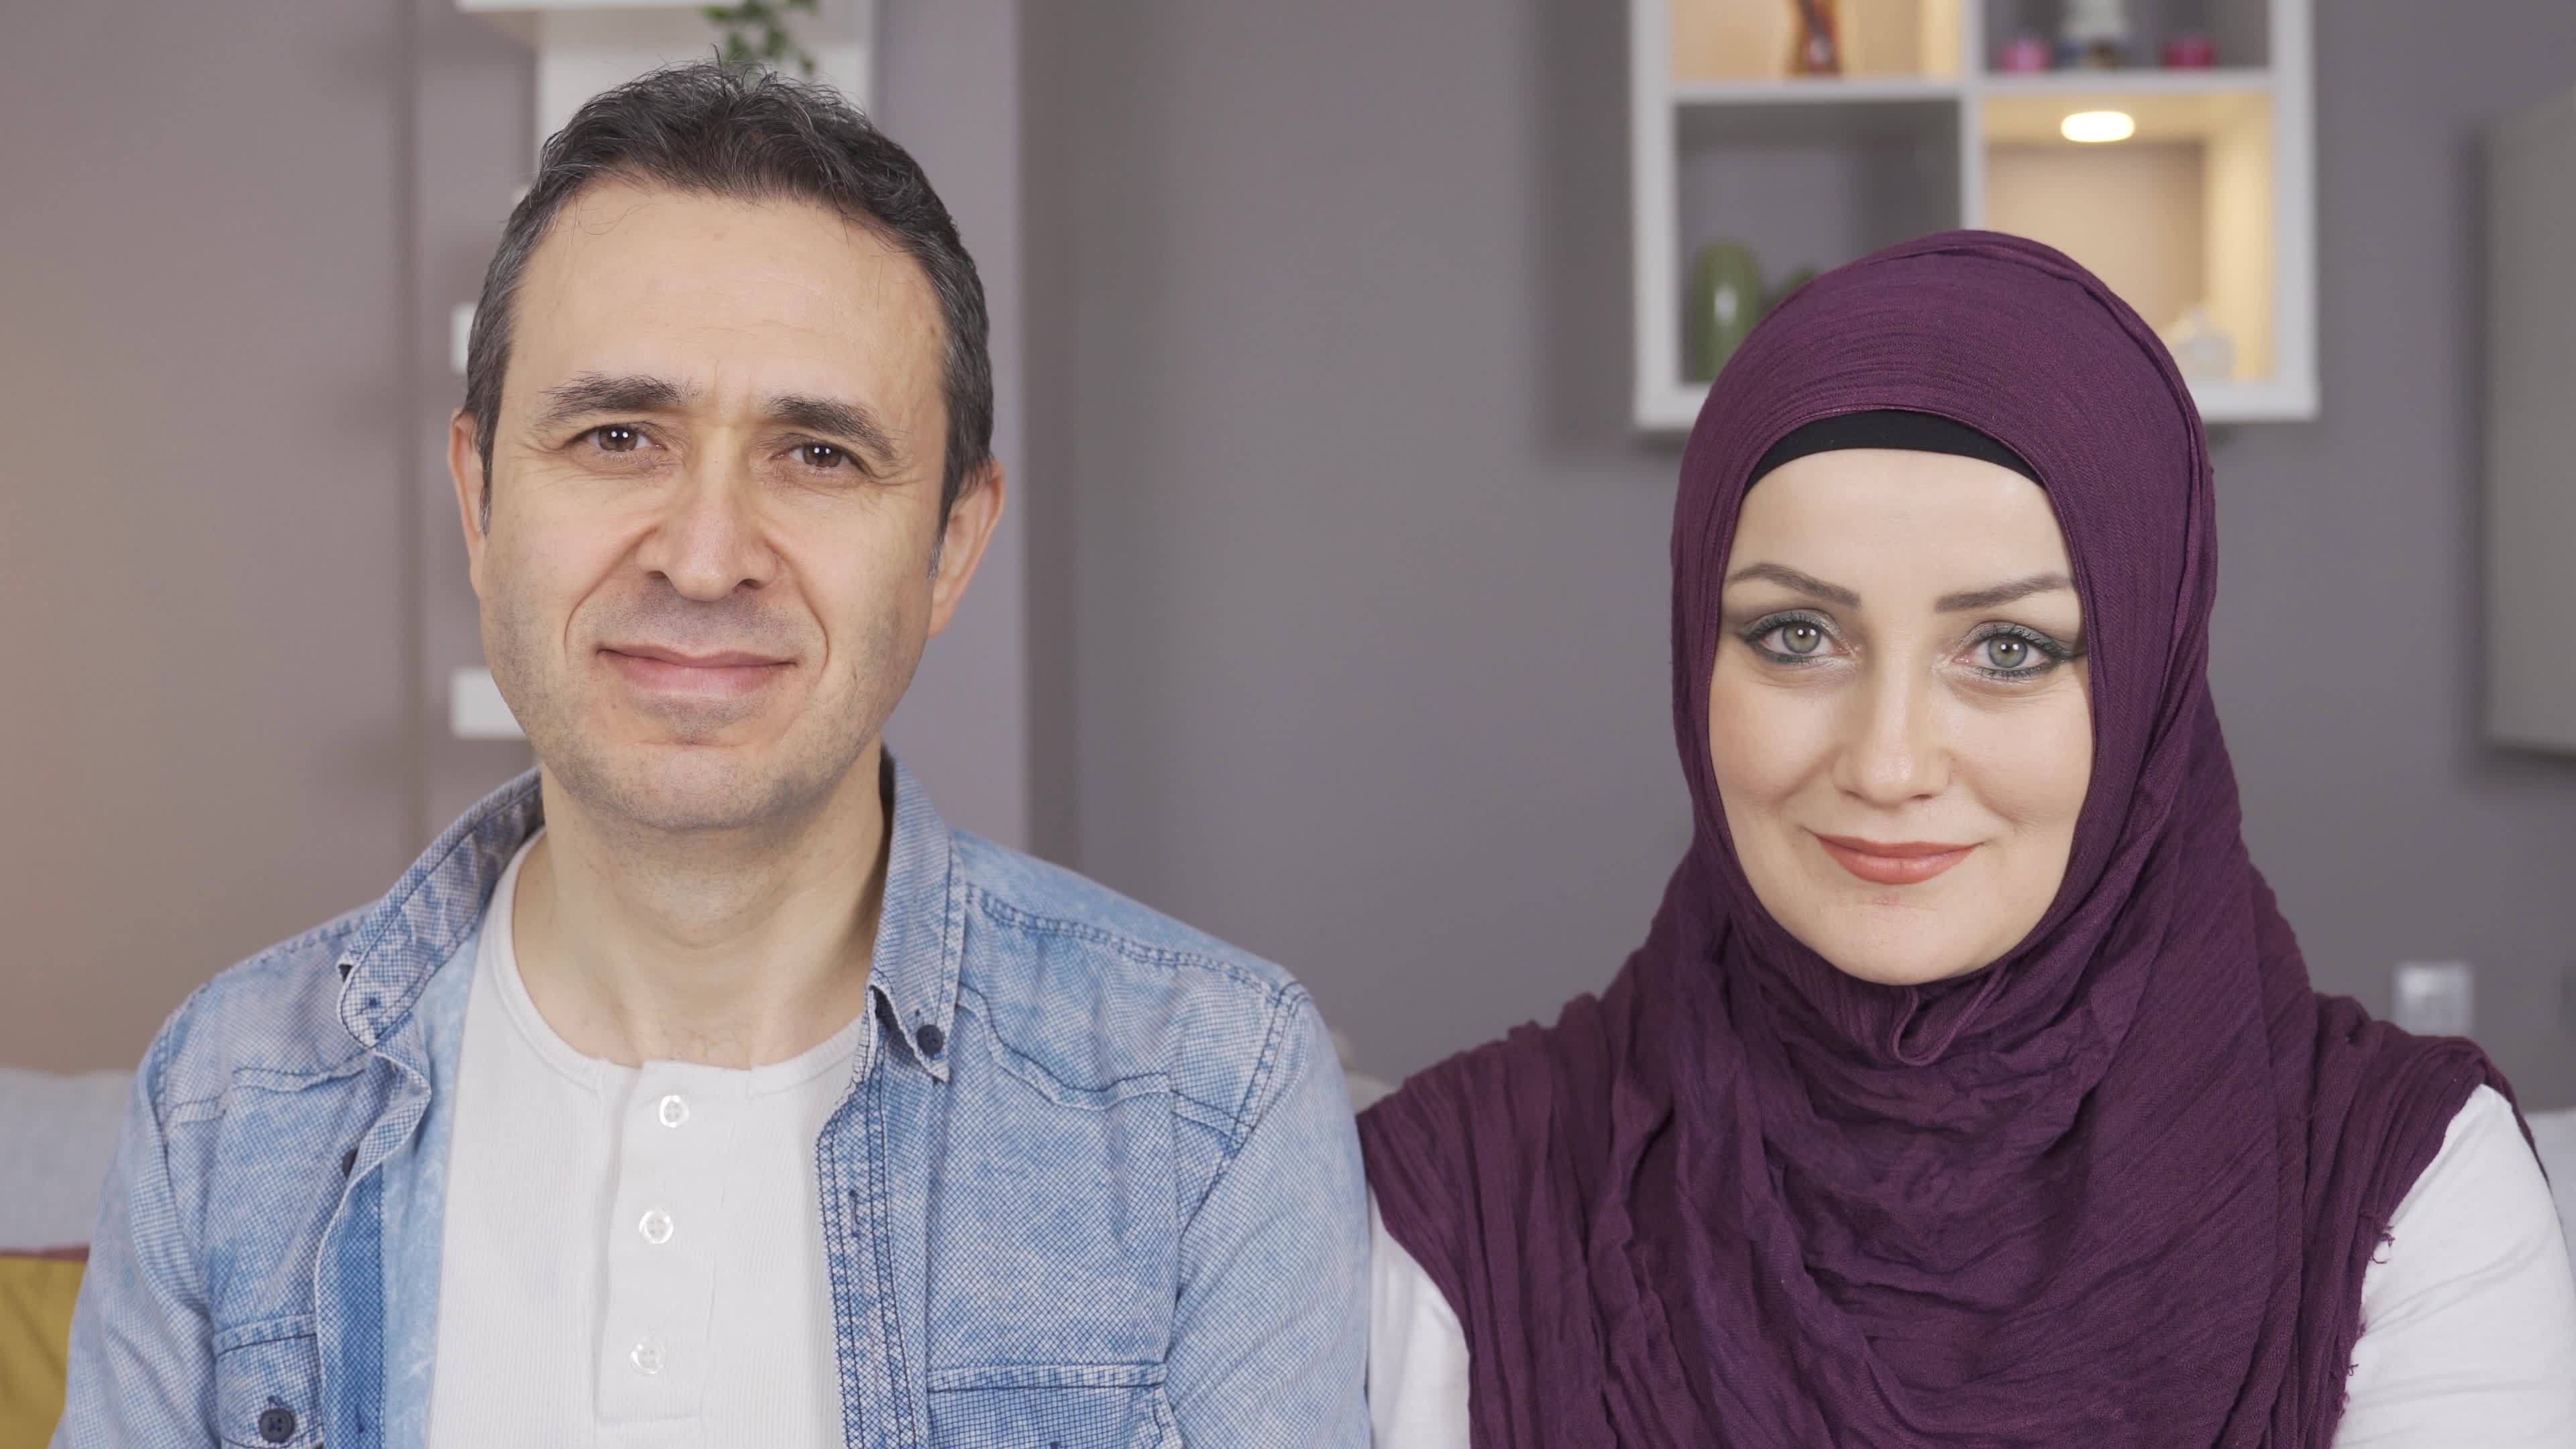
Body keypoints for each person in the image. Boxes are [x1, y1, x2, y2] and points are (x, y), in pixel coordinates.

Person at [56, 63, 1366, 1448]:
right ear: (479, 496)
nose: (703, 554)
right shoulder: (225, 1100)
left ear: (955, 545)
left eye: (817, 455)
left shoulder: (1212, 1098)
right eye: (618, 436)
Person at [1360, 232, 2576, 1446]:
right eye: (1794, 635)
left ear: (2151, 685)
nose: (1889, 764)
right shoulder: (1458, 1201)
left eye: (2009, 650)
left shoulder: (2412, 1195)